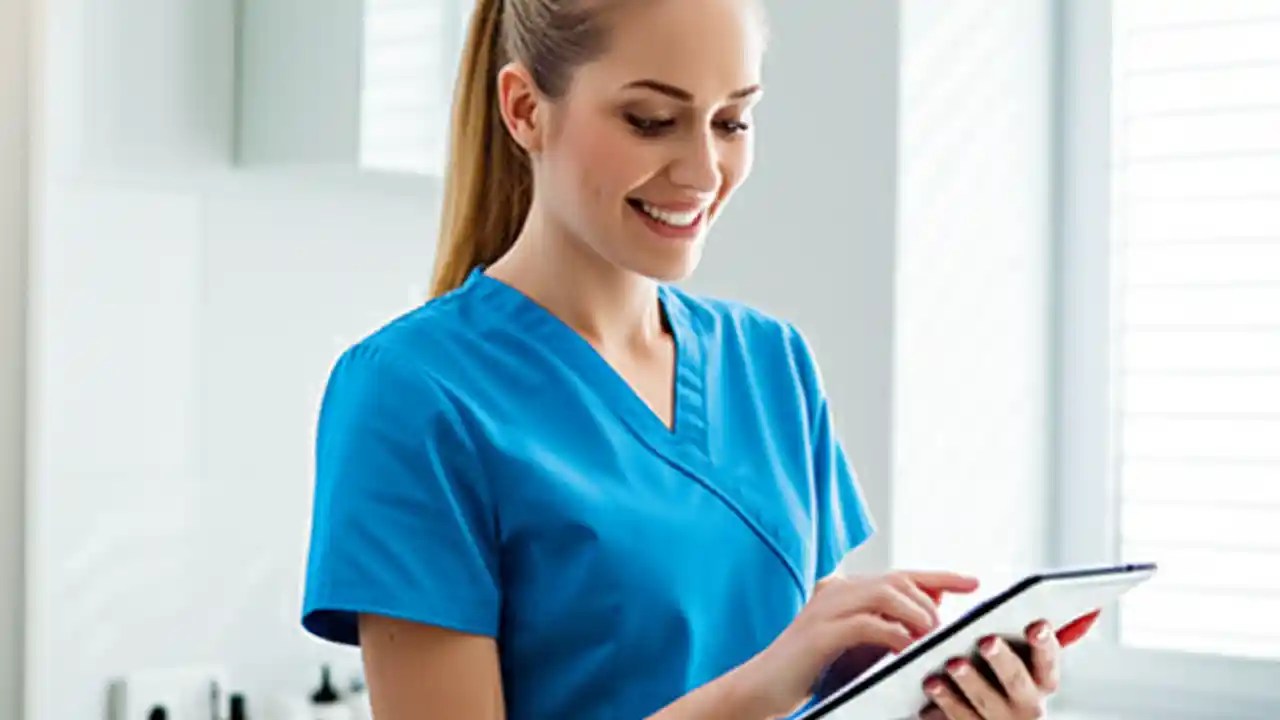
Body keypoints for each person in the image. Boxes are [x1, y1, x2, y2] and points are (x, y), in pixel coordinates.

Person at [300, 0, 1067, 718]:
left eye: (732, 121)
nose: (703, 172)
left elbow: (803, 684)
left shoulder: (771, 364)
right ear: (525, 109)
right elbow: (774, 677)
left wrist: (928, 694)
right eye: (652, 120)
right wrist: (767, 684)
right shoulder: (412, 392)